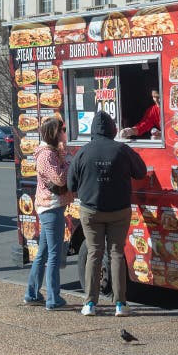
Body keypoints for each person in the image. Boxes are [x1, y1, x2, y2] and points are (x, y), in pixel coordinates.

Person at [68, 111, 147, 317]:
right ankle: (120, 304)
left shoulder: (83, 152)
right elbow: (141, 171)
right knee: (116, 254)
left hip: (91, 211)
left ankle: (89, 304)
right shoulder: (122, 149)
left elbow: (71, 184)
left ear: (93, 130)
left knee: (94, 254)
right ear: (113, 129)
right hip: (119, 211)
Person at [23, 117, 73, 310]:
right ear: (54, 132)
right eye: (62, 129)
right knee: (53, 254)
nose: (64, 132)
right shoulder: (46, 155)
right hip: (50, 207)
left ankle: (32, 294)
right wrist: (68, 163)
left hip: (49, 206)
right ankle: (53, 299)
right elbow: (60, 179)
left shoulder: (51, 152)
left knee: (43, 253)